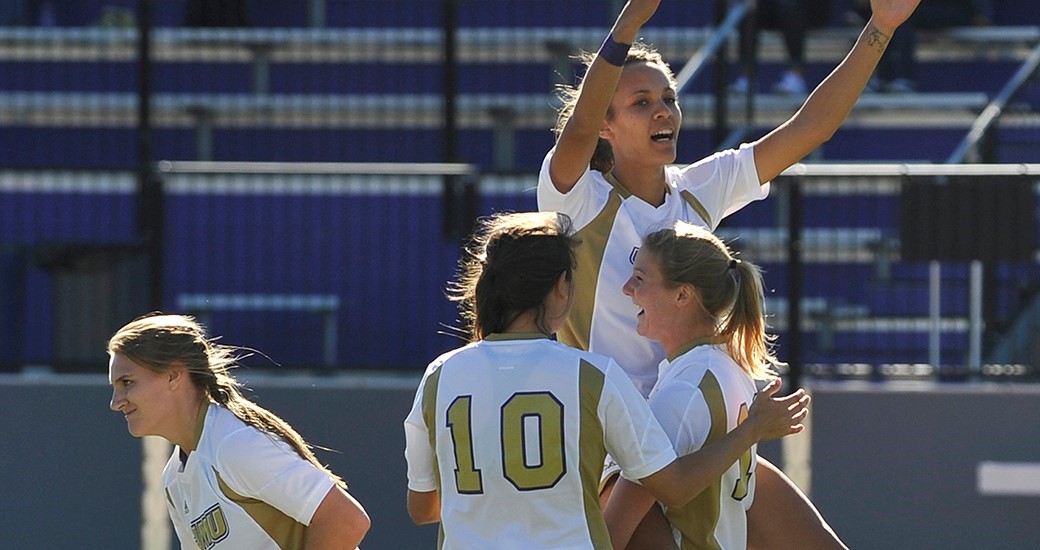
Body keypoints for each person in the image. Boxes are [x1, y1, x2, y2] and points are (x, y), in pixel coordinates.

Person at [539, 0, 922, 398]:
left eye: (669, 99)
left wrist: (881, 27)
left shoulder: (698, 187)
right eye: (642, 103)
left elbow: (811, 127)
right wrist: (630, 21)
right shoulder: (579, 198)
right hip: (606, 443)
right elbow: (580, 126)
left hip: (685, 419)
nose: (663, 112)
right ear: (606, 124)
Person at [403, 211, 810, 548]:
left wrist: (502, 493)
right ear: (560, 288)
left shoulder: (439, 376)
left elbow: (422, 508)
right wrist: (752, 431)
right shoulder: (593, 376)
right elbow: (673, 486)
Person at [604, 221, 847, 549]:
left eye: (640, 279)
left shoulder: (686, 391)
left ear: (683, 294)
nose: (627, 289)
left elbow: (613, 533)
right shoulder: (726, 368)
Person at [107, 313, 370, 549]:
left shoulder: (234, 445)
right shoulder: (174, 477)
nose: (116, 402)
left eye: (127, 383)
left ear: (174, 376)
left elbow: (347, 521)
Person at [853, 0, 992, 92]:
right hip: (923, 11)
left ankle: (903, 78)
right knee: (895, 16)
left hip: (958, 11)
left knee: (902, 17)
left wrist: (982, 15)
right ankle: (882, 78)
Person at [731, 0, 832, 95]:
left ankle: (796, 76)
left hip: (809, 7)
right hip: (773, 7)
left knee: (789, 4)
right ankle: (746, 78)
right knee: (748, 7)